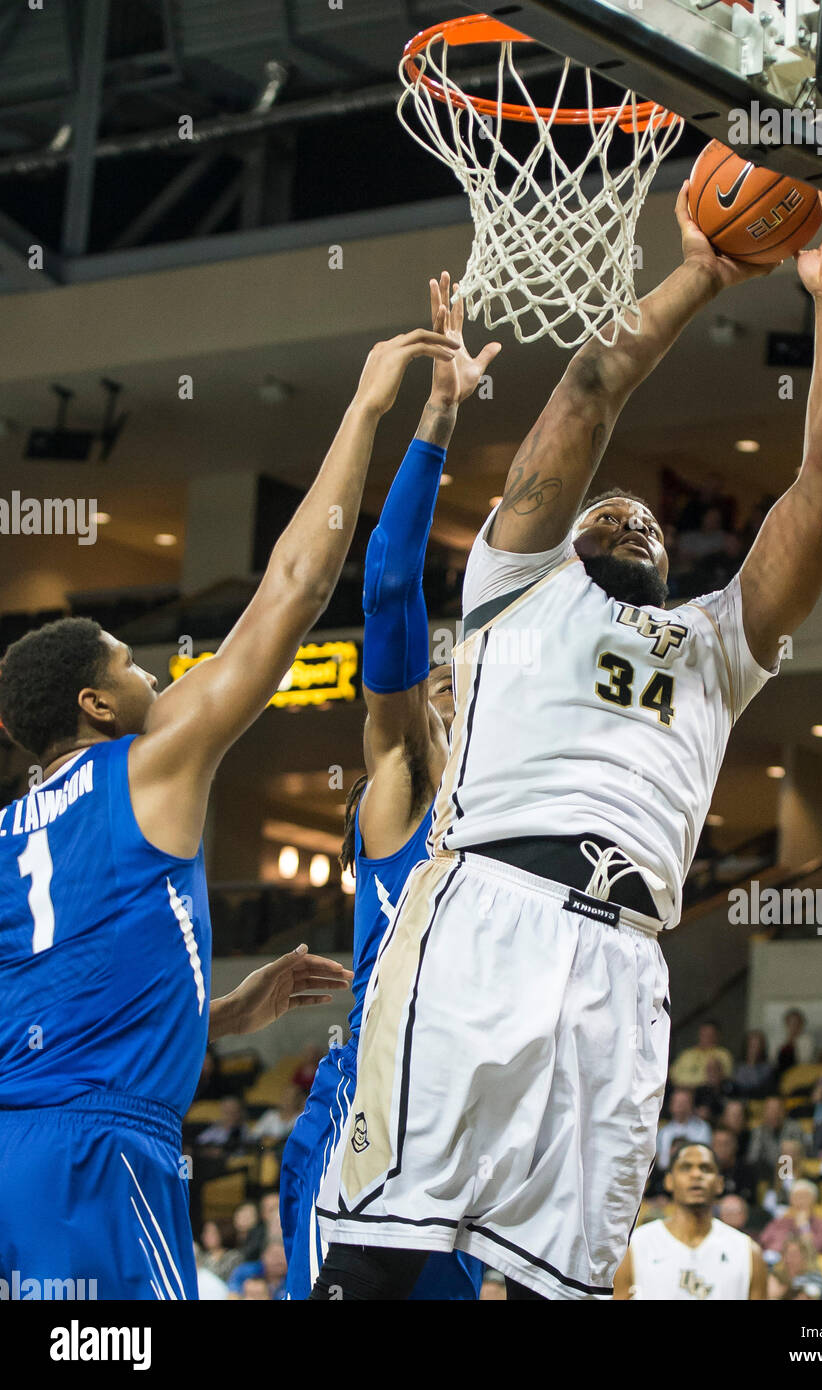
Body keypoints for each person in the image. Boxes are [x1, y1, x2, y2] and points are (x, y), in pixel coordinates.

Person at [315, 191, 822, 1300]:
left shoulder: (717, 640)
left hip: (622, 962)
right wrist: (701, 275)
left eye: (648, 519)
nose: (629, 517)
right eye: (604, 511)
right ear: (558, 534)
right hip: (486, 917)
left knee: (555, 1285)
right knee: (381, 1251)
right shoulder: (516, 582)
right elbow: (590, 386)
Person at [0, 320, 461, 1300]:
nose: (158, 672)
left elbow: (50, 1022)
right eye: (133, 664)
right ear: (94, 705)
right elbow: (293, 589)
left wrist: (205, 1017)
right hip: (104, 1156)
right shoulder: (148, 761)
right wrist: (366, 406)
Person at [281, 275, 497, 1303]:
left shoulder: (519, 817)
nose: (464, 696)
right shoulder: (407, 779)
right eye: (451, 681)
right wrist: (436, 417)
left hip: (464, 1137)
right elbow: (388, 587)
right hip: (365, 1120)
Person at [614, 1143, 766, 1300]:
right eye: (686, 1168)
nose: (696, 1174)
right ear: (669, 1181)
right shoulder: (636, 1246)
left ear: (720, 1184)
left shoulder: (747, 1252)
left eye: (705, 1168)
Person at [759, 1178, 822, 1254]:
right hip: (772, 1258)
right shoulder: (780, 1222)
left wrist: (804, 1226)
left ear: (814, 1200)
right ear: (791, 1201)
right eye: (796, 1197)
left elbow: (817, 1248)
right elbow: (762, 1241)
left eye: (805, 1197)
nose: (800, 1201)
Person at [746, 1095, 808, 1181]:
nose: (774, 1114)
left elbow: (802, 1154)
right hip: (767, 1175)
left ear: (784, 1112)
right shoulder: (759, 1132)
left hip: (791, 1174)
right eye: (770, 1110)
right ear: (764, 1112)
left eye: (777, 1110)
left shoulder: (794, 1128)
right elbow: (752, 1159)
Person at [656, 1086, 713, 1172]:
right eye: (677, 1102)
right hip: (667, 1174)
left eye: (684, 1102)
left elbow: (705, 1155)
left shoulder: (703, 1128)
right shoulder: (663, 1131)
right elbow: (660, 1162)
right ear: (671, 1105)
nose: (680, 1106)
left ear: (691, 1105)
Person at [670, 1021, 734, 1090]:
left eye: (710, 1035)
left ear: (717, 1036)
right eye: (704, 1034)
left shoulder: (723, 1054)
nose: (706, 1037)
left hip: (706, 1092)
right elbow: (672, 1075)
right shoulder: (687, 1054)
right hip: (681, 1090)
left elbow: (725, 1078)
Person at [733, 1029, 775, 1099]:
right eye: (752, 1045)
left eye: (757, 1045)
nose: (754, 1048)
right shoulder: (739, 1066)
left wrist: (752, 1063)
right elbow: (738, 1084)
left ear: (762, 1047)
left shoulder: (767, 1068)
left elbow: (756, 1085)